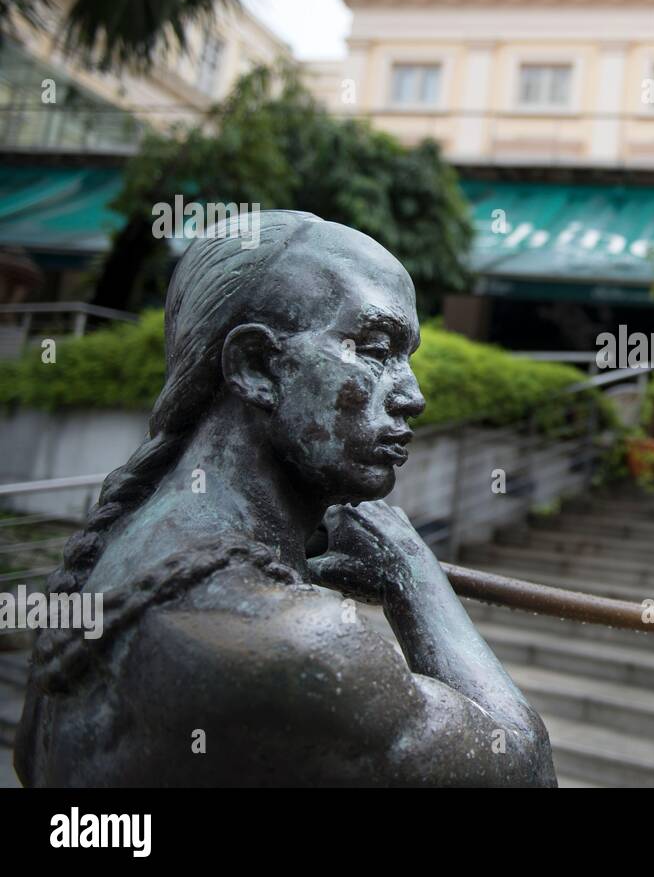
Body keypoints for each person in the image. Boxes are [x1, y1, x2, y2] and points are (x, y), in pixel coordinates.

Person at [15, 210, 556, 786]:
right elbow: (521, 773)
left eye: (408, 357)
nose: (413, 395)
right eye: (375, 348)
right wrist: (413, 578)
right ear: (255, 367)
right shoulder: (296, 644)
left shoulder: (113, 560)